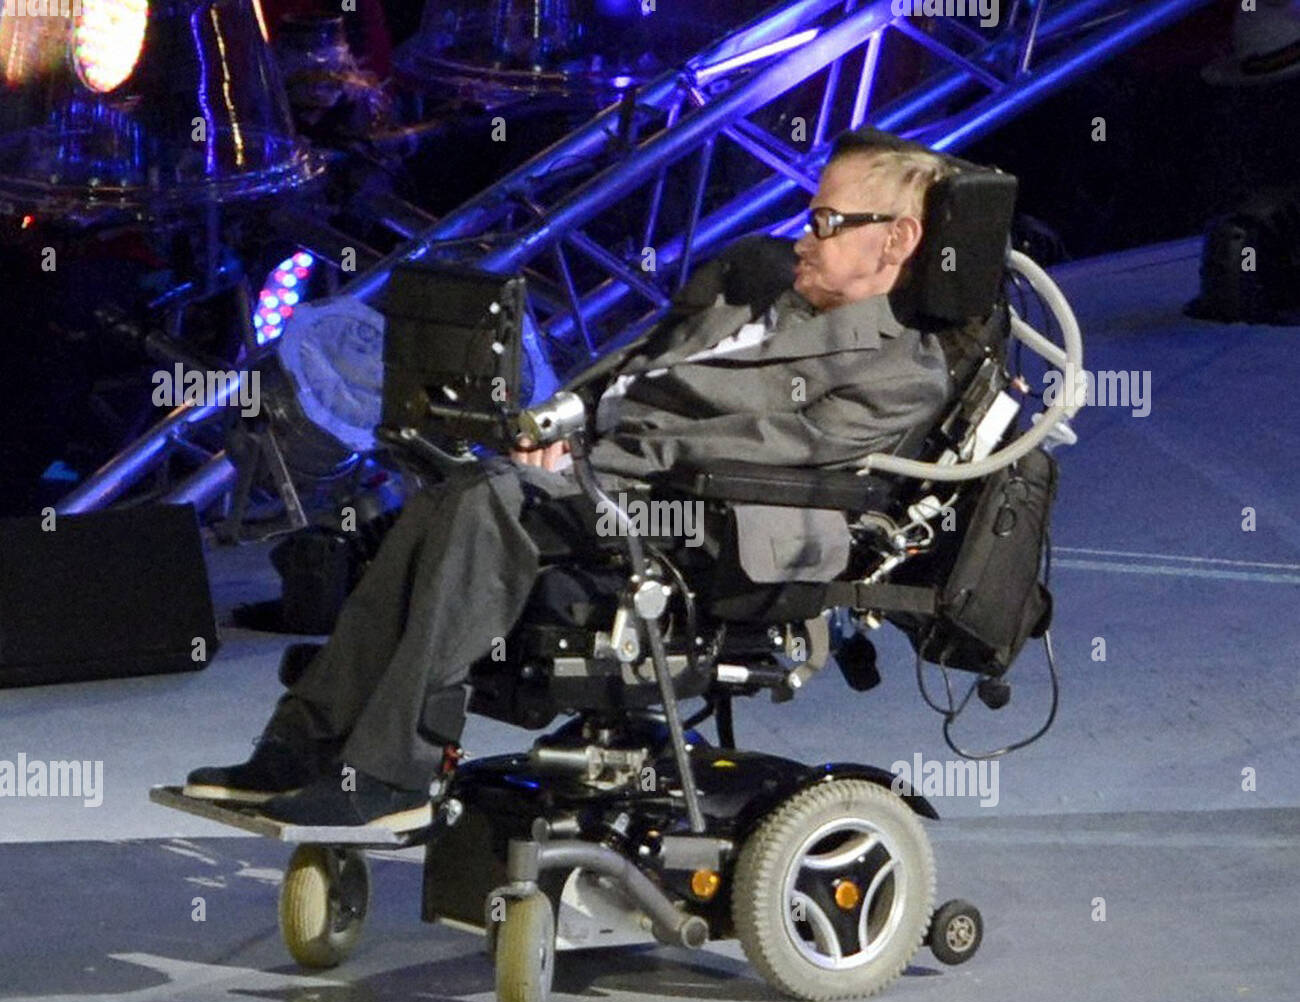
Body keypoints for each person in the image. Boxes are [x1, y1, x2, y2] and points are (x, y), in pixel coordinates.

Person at [183, 131, 957, 831]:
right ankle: (305, 743)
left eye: (828, 222)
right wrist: (558, 423)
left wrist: (591, 458)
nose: (803, 238)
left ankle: (397, 767)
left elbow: (759, 451)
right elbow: (634, 366)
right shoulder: (755, 279)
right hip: (612, 477)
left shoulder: (900, 369)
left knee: (492, 499)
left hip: (702, 521)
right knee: (452, 491)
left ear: (897, 239)